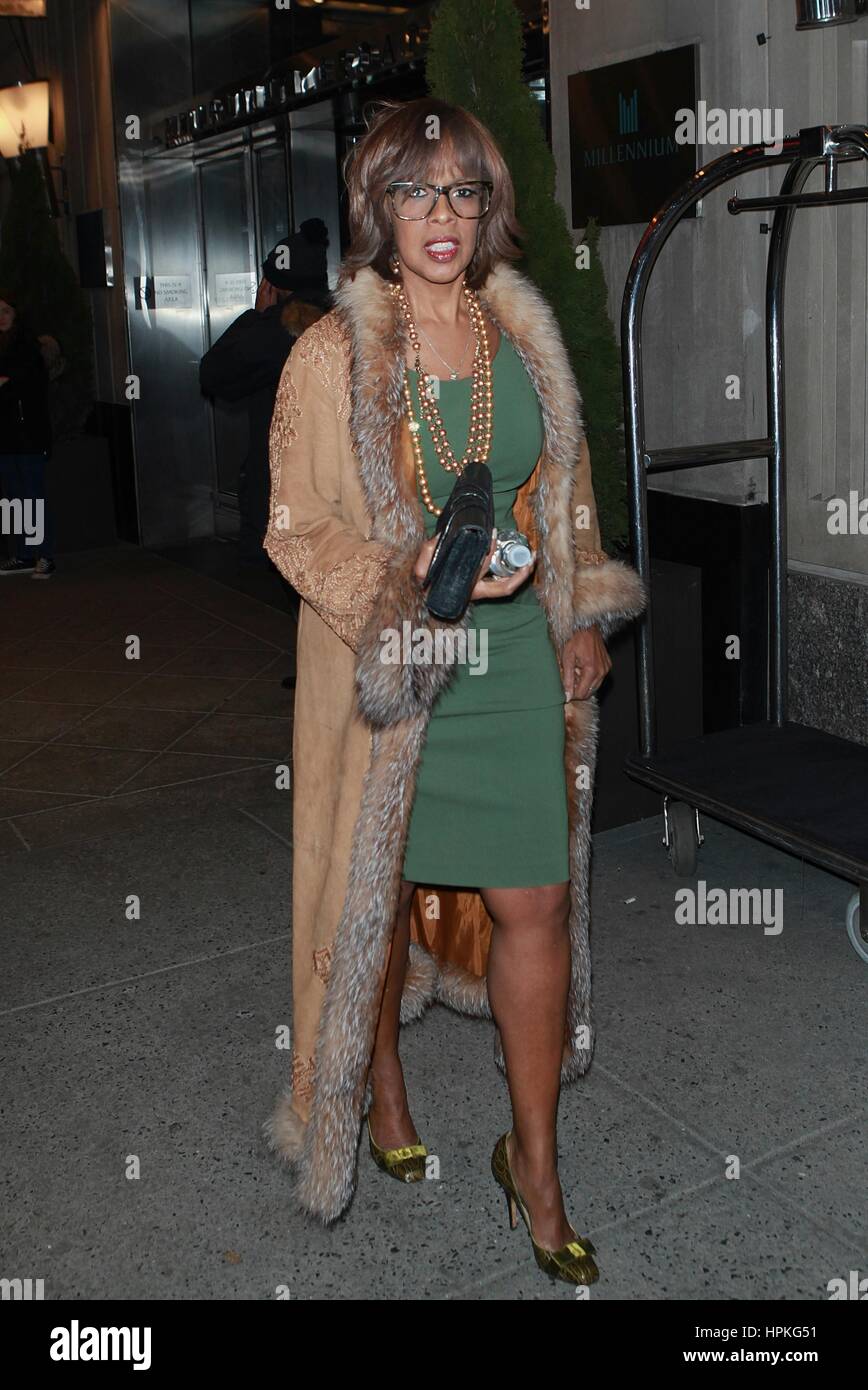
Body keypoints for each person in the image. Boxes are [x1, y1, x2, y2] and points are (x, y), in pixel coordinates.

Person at [261, 98, 645, 1285]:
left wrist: (579, 613)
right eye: (417, 192)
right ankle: (380, 1082)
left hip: (511, 664)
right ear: (379, 206)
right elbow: (293, 526)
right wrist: (396, 574)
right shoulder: (329, 355)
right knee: (374, 905)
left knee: (538, 907)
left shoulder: (519, 337)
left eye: (465, 193)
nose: (443, 216)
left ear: (490, 210)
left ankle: (535, 1165)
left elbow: (560, 493)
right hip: (393, 674)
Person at [199, 218, 332, 573]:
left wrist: (255, 318)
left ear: (273, 285)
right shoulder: (346, 323)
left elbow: (213, 374)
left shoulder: (273, 331)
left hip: (283, 491)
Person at [0, 289, 56, 578]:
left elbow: (24, 386)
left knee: (32, 497)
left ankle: (44, 554)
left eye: (6, 311)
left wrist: (8, 382)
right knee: (12, 499)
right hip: (5, 436)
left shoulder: (28, 348)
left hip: (28, 435)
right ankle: (21, 554)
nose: (1, 317)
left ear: (17, 314)